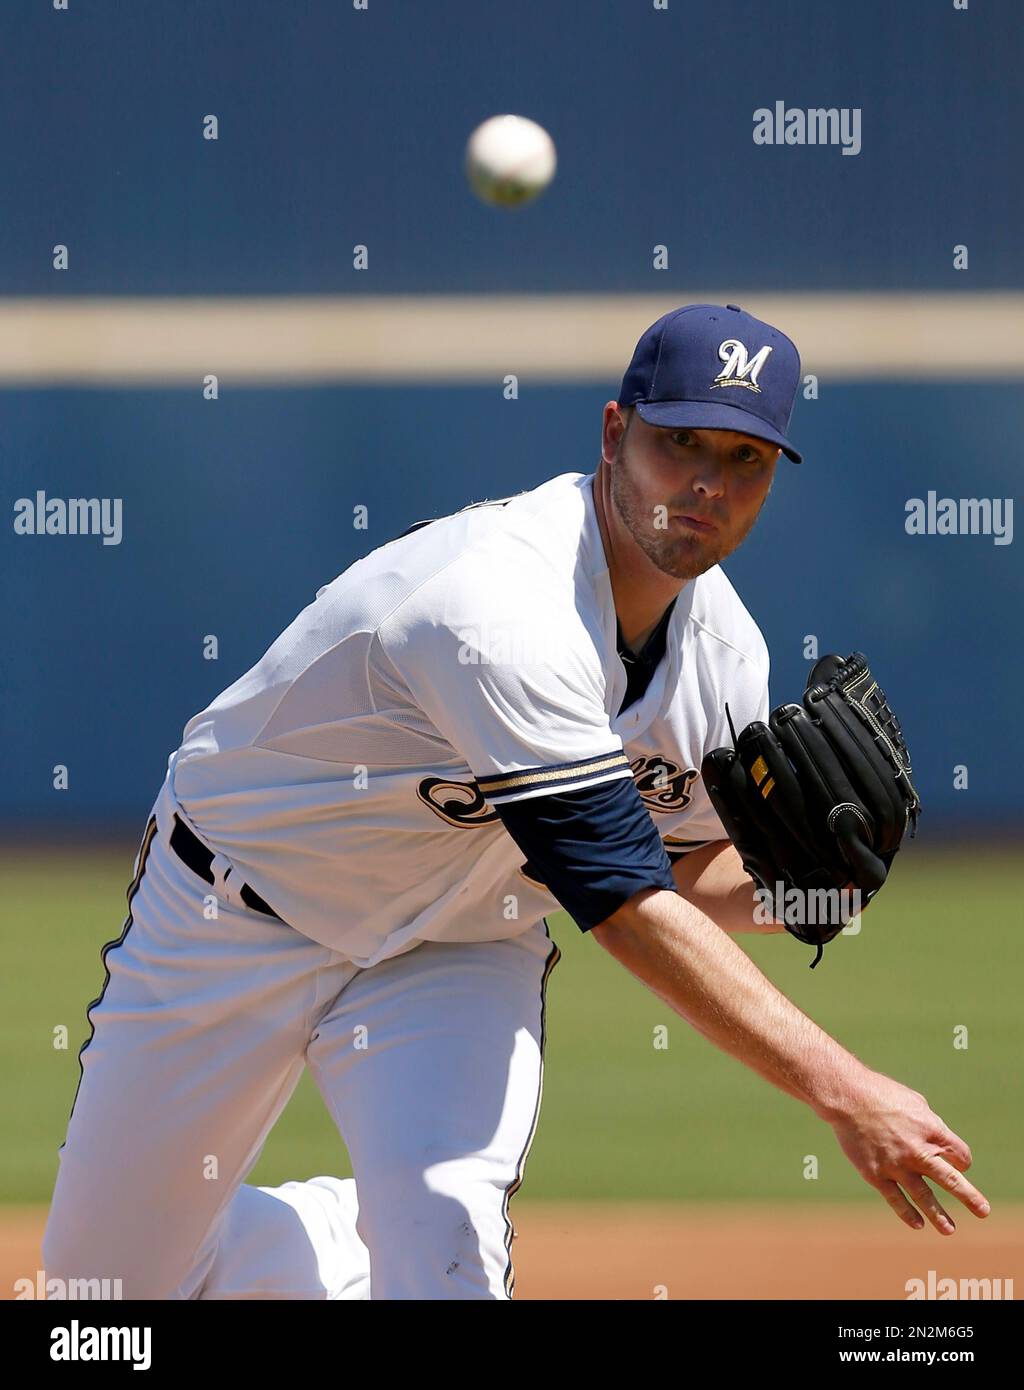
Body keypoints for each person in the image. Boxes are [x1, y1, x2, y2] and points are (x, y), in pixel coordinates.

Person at [43, 304, 988, 1301]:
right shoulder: (495, 606)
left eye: (745, 459)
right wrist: (843, 1088)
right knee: (102, 1305)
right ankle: (335, 1235)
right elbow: (620, 904)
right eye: (681, 444)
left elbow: (674, 865)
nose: (708, 484)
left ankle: (404, 1236)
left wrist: (809, 893)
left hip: (460, 940)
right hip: (238, 912)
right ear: (615, 435)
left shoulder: (725, 663)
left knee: (444, 1238)